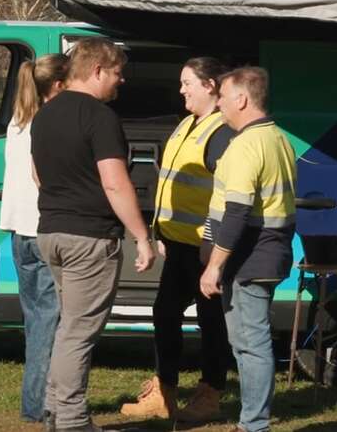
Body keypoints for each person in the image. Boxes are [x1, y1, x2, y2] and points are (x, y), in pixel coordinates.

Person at [32, 37, 156, 432]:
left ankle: (55, 410)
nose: (121, 83)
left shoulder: (44, 115)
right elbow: (115, 183)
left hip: (50, 232)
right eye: (118, 74)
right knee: (80, 331)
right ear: (98, 70)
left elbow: (37, 175)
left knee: (69, 325)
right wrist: (141, 235)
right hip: (88, 237)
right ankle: (70, 419)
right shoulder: (100, 118)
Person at [120, 57, 234, 423]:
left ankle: (211, 392)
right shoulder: (188, 123)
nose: (181, 89)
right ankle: (164, 391)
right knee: (165, 313)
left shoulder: (222, 132)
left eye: (188, 83)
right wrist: (161, 233)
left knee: (211, 321)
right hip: (179, 243)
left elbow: (229, 196)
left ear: (211, 86)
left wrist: (215, 251)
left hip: (205, 247)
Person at [199, 67, 297, 432]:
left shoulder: (244, 145)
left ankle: (254, 424)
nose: (219, 103)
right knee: (244, 342)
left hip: (250, 258)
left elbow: (236, 213)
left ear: (241, 99)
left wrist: (214, 265)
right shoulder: (279, 139)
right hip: (269, 253)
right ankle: (251, 420)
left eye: (223, 96)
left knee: (251, 343)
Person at [0, 53, 70, 424]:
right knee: (50, 321)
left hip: (18, 231)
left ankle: (34, 399)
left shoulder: (19, 120)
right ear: (58, 85)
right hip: (43, 227)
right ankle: (40, 403)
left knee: (35, 320)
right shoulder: (52, 123)